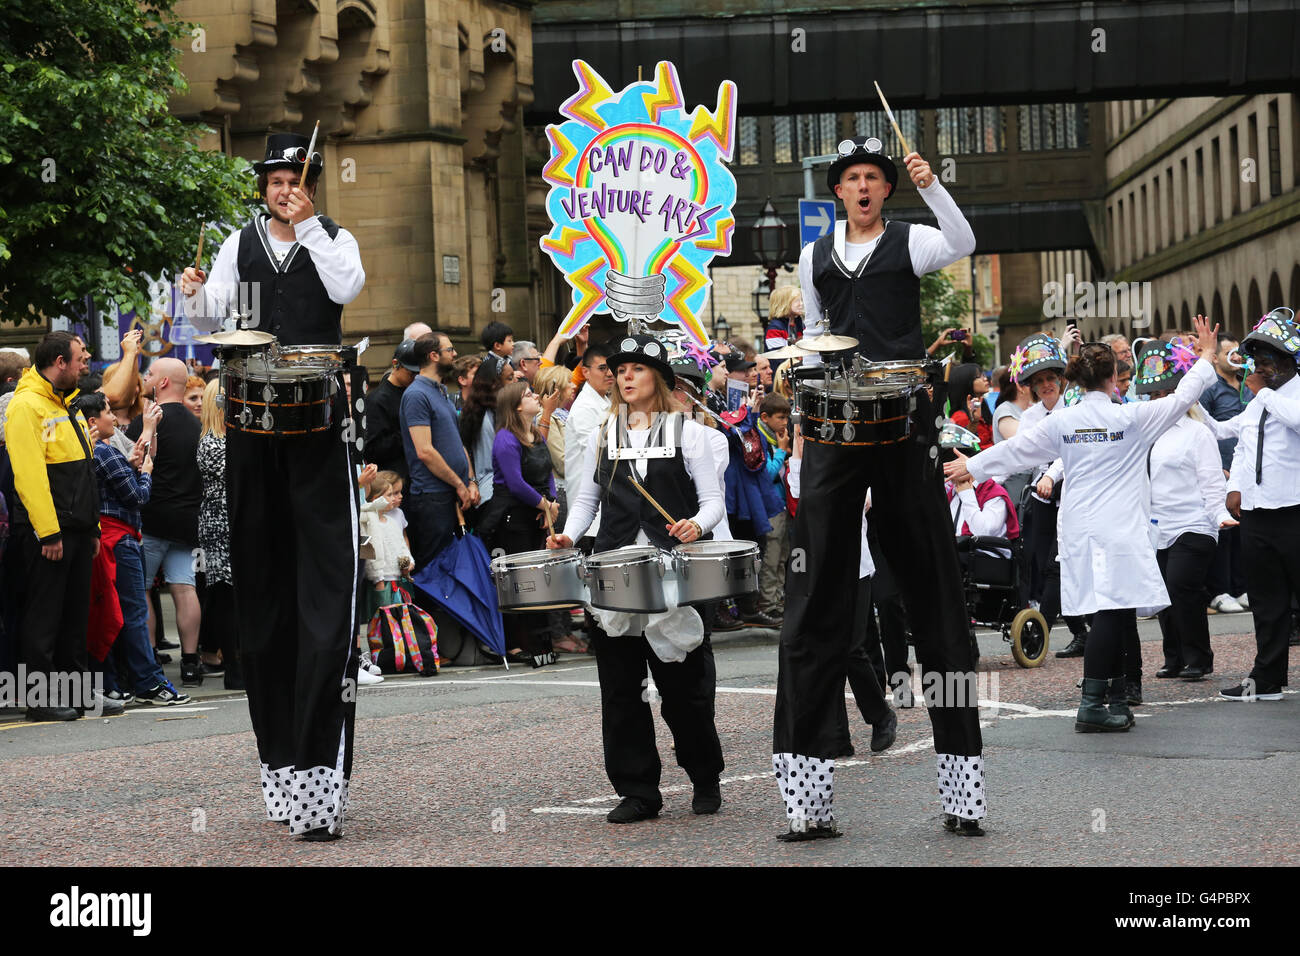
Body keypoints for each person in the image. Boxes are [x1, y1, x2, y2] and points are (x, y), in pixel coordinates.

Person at [776, 135, 982, 840]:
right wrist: (801, 421)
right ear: (837, 190)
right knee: (814, 602)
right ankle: (806, 802)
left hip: (903, 426)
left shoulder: (914, 241)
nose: (862, 186)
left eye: (873, 177)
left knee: (934, 591)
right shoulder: (814, 256)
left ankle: (964, 795)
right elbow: (814, 332)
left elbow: (964, 238)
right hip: (835, 428)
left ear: (885, 189)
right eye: (851, 178)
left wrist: (932, 183)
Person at [178, 131, 366, 840]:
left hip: (319, 433)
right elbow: (208, 324)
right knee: (261, 600)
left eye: (294, 177)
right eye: (274, 178)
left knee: (324, 599)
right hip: (253, 433)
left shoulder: (333, 239)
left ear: (312, 181)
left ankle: (322, 781)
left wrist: (310, 223)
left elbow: (346, 289)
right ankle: (282, 772)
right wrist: (191, 295)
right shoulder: (237, 242)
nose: (282, 187)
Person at [949, 315, 1220, 731]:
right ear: (1114, 376)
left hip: (1077, 528)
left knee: (1103, 611)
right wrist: (1205, 356)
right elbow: (1184, 395)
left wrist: (973, 465)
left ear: (1075, 377)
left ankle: (1113, 696)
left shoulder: (1064, 421)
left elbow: (1016, 450)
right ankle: (1093, 704)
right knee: (1113, 613)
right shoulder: (1131, 418)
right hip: (1118, 529)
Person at [547, 334, 725, 824]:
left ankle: (705, 775)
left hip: (673, 574)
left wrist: (697, 524)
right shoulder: (605, 434)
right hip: (613, 569)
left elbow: (713, 502)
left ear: (660, 380)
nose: (623, 376)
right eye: (619, 370)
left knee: (683, 689)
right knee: (621, 689)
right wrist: (569, 535)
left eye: (636, 370)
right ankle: (638, 790)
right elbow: (586, 501)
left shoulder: (687, 432)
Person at [4, 332, 120, 720]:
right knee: (44, 619)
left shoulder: (63, 404)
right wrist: (48, 531)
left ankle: (77, 693)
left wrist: (91, 530)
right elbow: (29, 475)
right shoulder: (26, 406)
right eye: (80, 358)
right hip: (49, 533)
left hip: (76, 530)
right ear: (59, 362)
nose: (85, 363)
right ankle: (39, 700)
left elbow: (83, 472)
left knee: (74, 618)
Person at [1135, 340, 1234, 682]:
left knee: (1181, 586)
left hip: (1194, 523)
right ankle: (1174, 657)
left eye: (1165, 394)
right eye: (1153, 396)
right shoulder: (1145, 433)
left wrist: (1218, 514)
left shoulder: (1196, 432)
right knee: (1161, 591)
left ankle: (1199, 657)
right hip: (1156, 527)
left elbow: (1210, 480)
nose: (1159, 402)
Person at [82, 393, 191, 705]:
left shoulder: (93, 451)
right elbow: (137, 498)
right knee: (134, 611)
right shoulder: (106, 452)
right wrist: (145, 475)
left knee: (108, 611)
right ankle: (148, 681)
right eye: (107, 413)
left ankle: (113, 680)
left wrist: (133, 461)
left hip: (104, 539)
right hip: (121, 540)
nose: (114, 420)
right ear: (93, 421)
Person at [1220, 310, 1300, 701]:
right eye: (1258, 362)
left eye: (1268, 362)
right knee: (1267, 602)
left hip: (1294, 510)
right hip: (1257, 514)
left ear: (1288, 362)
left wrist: (1263, 392)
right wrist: (1235, 487)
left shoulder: (1291, 392)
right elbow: (1242, 445)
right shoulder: (1256, 403)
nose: (1261, 369)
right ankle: (1267, 678)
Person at [123, 358, 204, 686]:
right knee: (184, 587)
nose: (146, 377)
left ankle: (149, 656)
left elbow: (134, 461)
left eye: (151, 374)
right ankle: (190, 661)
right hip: (187, 518)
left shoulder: (147, 422)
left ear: (165, 383)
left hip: (152, 517)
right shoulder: (197, 424)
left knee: (140, 588)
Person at [481, 381, 560, 666]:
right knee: (519, 582)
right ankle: (519, 643)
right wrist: (545, 505)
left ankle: (542, 642)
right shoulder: (506, 438)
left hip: (535, 511)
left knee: (538, 579)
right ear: (516, 406)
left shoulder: (535, 433)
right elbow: (515, 483)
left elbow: (546, 470)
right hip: (511, 516)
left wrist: (550, 501)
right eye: (529, 395)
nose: (536, 396)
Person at [402, 331, 479, 567]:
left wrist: (471, 480)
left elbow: (457, 442)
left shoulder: (441, 392)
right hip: (432, 497)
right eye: (450, 350)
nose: (455, 354)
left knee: (454, 567)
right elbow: (424, 451)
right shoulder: (416, 395)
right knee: (435, 569)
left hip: (452, 494)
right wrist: (459, 484)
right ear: (434, 355)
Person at [196, 378, 243, 691]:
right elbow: (239, 475)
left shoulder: (232, 439)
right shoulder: (212, 442)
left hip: (235, 520)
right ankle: (234, 668)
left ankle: (241, 663)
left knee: (239, 596)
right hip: (219, 524)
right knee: (226, 596)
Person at [1199, 333, 1249, 614]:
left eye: (1238, 351)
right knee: (1223, 531)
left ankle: (1240, 587)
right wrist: (1214, 465)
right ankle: (1220, 590)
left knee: (1241, 529)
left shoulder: (1246, 384)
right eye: (1229, 352)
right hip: (1220, 468)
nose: (1237, 356)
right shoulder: (1211, 388)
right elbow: (1206, 427)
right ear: (1216, 357)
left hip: (1241, 469)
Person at [563, 340, 615, 549]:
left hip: (605, 507)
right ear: (585, 372)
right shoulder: (584, 407)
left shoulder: (607, 401)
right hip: (588, 512)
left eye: (612, 368)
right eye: (602, 368)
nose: (610, 374)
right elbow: (602, 456)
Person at [459, 354, 513, 513]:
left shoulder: (498, 411)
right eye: (509, 378)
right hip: (496, 493)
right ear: (494, 385)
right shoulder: (487, 418)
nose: (515, 382)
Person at [364, 339, 420, 481]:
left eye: (417, 374)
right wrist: (409, 432)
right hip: (394, 479)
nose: (414, 378)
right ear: (395, 364)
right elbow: (373, 449)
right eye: (411, 373)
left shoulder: (414, 392)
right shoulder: (377, 400)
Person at [765, 285, 805, 351]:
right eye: (797, 301)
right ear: (784, 304)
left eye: (801, 300)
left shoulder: (800, 323)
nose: (801, 304)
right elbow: (778, 358)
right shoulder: (774, 328)